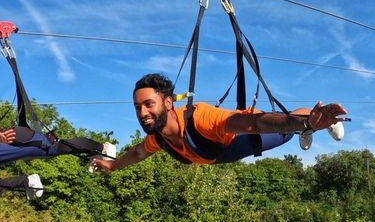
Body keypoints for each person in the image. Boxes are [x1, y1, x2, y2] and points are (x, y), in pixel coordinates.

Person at [90, 73, 347, 172]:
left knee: (289, 130)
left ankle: (317, 120)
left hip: (243, 139)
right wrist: (113, 166)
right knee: (292, 126)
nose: (142, 112)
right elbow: (137, 152)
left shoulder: (199, 118)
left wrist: (304, 124)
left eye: (149, 104)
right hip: (221, 152)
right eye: (138, 107)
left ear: (168, 103)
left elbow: (254, 125)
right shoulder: (157, 137)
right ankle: (308, 124)